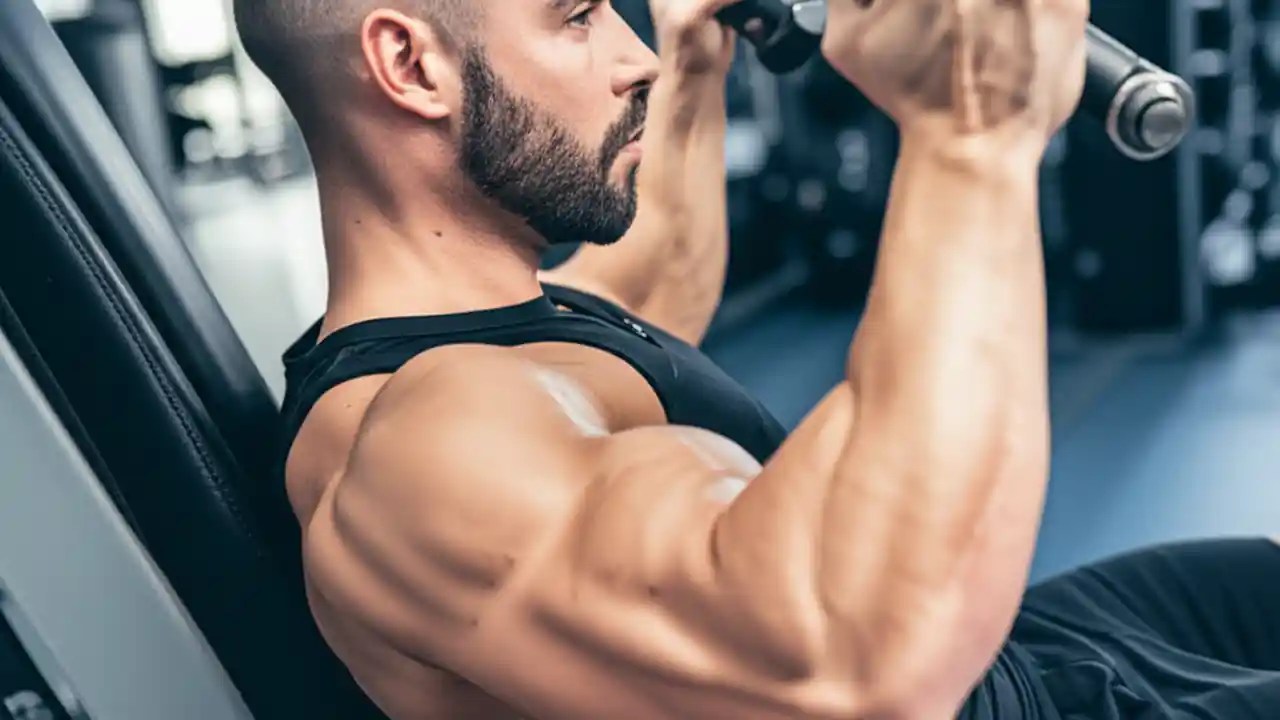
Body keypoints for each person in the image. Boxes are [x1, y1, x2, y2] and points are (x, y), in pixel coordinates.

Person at [233, 0, 1280, 716]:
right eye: (577, 14)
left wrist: (694, 53)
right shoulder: (424, 453)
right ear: (408, 65)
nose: (627, 53)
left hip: (1015, 658)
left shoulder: (488, 332)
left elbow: (654, 291)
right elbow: (847, 667)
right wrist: (971, 133)